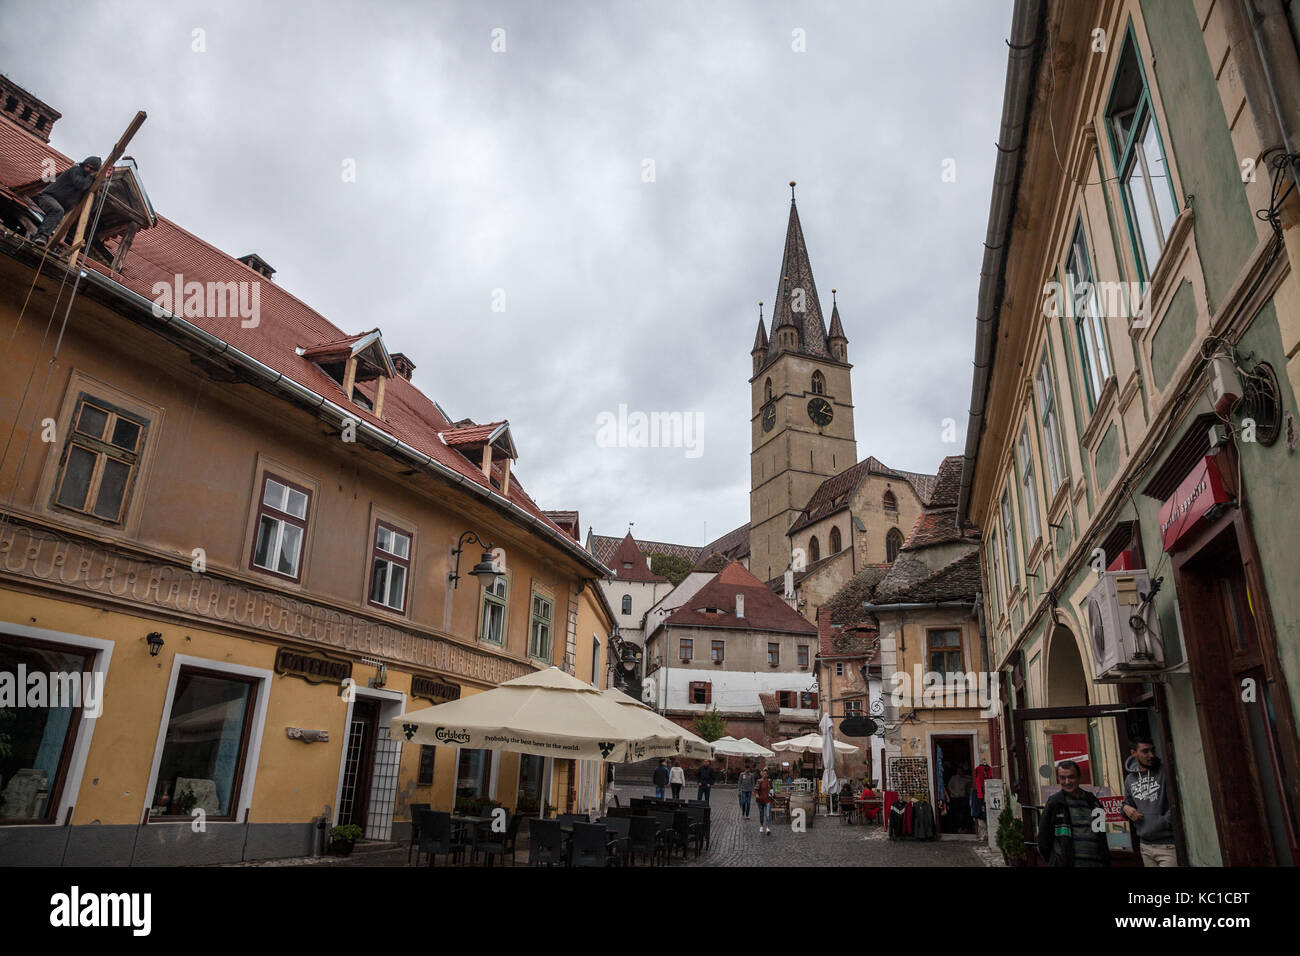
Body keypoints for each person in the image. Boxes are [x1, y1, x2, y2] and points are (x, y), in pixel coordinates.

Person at [1036, 761, 1111, 867]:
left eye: (1071, 777)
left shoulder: (1093, 802)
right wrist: (1055, 862)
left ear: (1079, 777)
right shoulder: (1054, 803)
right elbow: (1043, 840)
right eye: (1062, 778)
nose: (1067, 782)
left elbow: (1101, 838)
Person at [1122, 736, 1177, 867]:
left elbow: (1178, 802)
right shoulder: (1130, 779)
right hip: (1145, 846)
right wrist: (1125, 808)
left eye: (1153, 750)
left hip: (1168, 845)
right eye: (1145, 751)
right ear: (1133, 753)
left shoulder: (1164, 772)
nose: (1151, 755)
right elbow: (1126, 804)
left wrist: (1163, 822)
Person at [31, 157, 102, 243]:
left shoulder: (88, 183)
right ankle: (41, 236)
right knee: (57, 210)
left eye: (91, 169)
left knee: (58, 215)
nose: (87, 169)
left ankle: (46, 239)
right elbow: (80, 184)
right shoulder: (76, 170)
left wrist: (96, 191)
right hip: (47, 197)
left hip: (61, 208)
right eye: (87, 166)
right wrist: (91, 176)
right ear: (83, 165)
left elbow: (92, 208)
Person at [755, 768, 774, 834]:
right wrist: (757, 795)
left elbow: (772, 789)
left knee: (768, 814)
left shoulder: (769, 781)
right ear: (762, 774)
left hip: (767, 800)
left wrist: (771, 793)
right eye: (764, 774)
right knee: (761, 814)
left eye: (766, 774)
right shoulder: (759, 781)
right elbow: (756, 789)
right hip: (760, 800)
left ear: (767, 775)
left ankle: (768, 828)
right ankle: (761, 826)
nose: (765, 775)